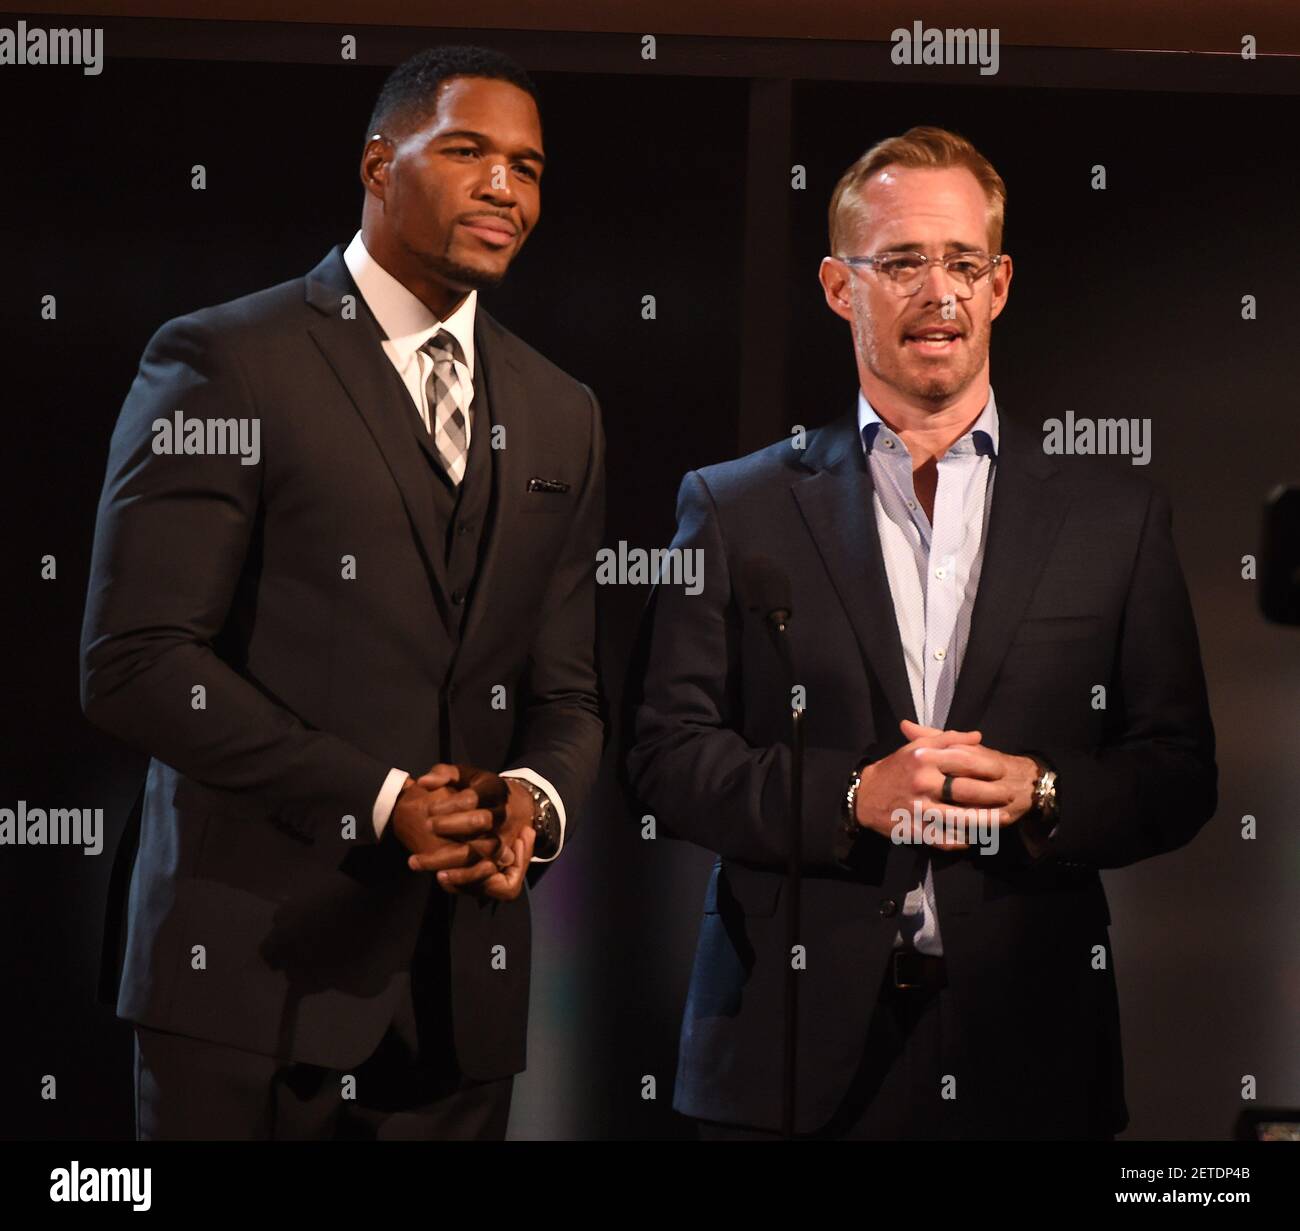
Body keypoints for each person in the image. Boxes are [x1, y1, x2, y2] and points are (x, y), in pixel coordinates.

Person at [626, 125, 1216, 1139]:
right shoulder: (734, 506)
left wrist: (1045, 791)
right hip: (782, 1049)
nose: (936, 291)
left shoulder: (1116, 516)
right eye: (899, 261)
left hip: (1031, 1046)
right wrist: (852, 798)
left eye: (961, 262)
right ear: (836, 287)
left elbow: (1179, 770)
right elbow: (664, 757)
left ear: (999, 286)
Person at [81, 44, 605, 1140]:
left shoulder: (563, 411)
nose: (505, 186)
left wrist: (529, 807)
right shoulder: (225, 360)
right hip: (246, 983)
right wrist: (379, 795)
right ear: (378, 165)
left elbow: (566, 695)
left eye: (529, 165)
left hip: (461, 1005)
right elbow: (137, 663)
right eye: (466, 151)